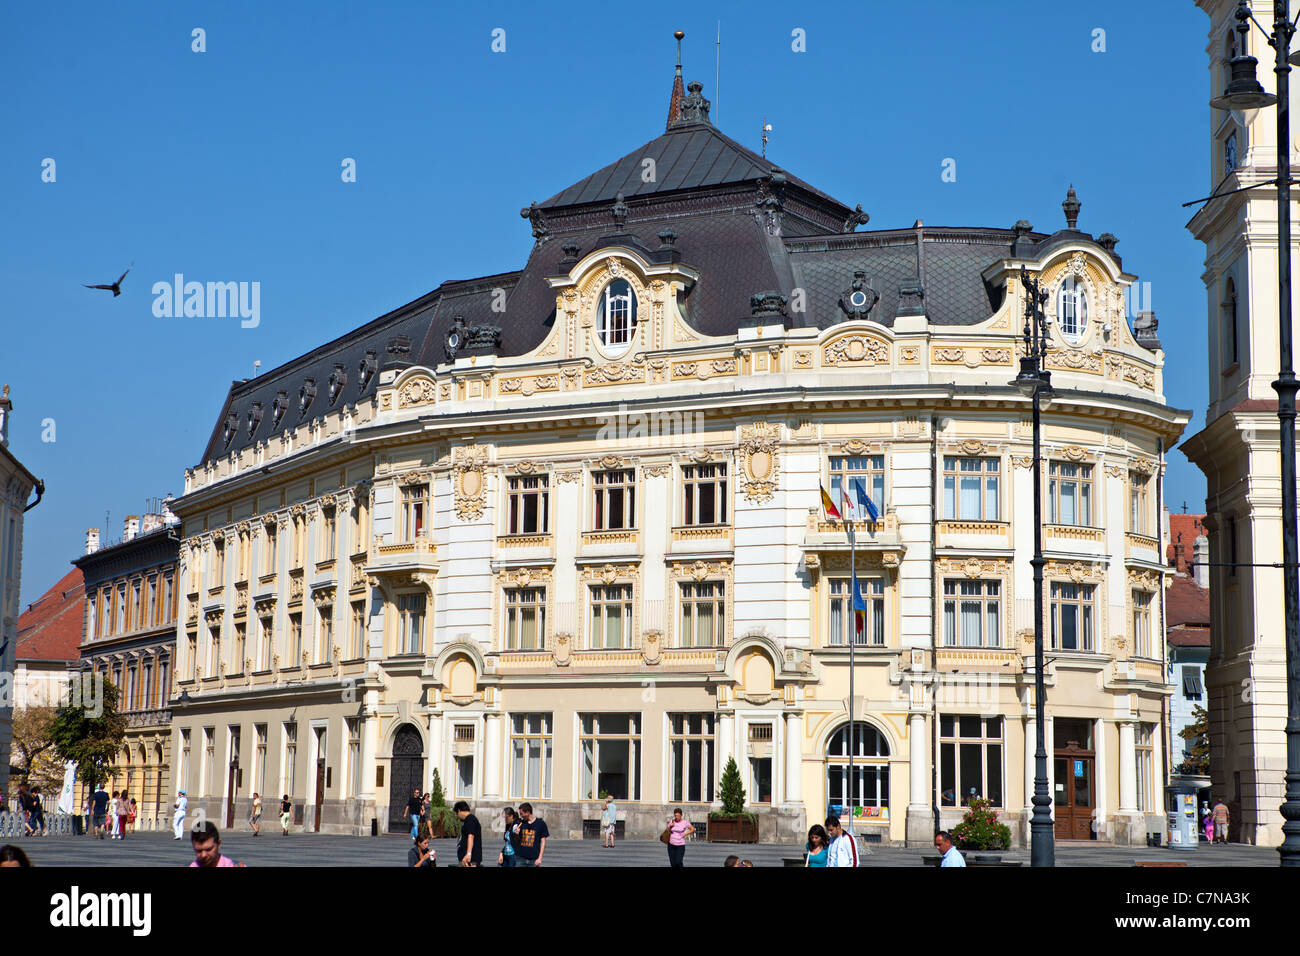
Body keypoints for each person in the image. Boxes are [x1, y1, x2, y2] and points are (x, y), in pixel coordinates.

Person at [514, 802, 549, 867]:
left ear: (527, 812)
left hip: (534, 859)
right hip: (520, 858)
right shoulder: (520, 823)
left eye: (521, 814)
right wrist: (516, 834)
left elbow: (543, 842)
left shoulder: (540, 824)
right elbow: (515, 841)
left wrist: (540, 858)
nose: (520, 816)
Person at [453, 800, 482, 866]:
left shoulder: (470, 820)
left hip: (470, 859)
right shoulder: (469, 820)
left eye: (457, 814)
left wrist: (468, 854)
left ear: (459, 811)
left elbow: (471, 836)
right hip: (466, 857)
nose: (457, 816)